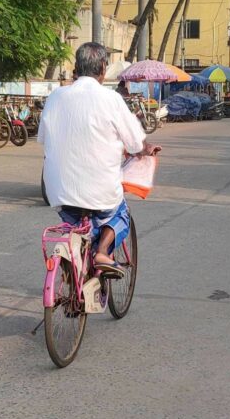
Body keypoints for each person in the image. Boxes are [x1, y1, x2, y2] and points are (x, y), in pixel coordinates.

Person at [37, 42, 159, 275]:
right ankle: (102, 251)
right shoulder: (111, 99)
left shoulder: (55, 97)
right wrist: (146, 148)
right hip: (100, 193)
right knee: (120, 211)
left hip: (59, 194)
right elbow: (134, 143)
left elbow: (43, 138)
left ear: (77, 68)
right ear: (103, 69)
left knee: (75, 220)